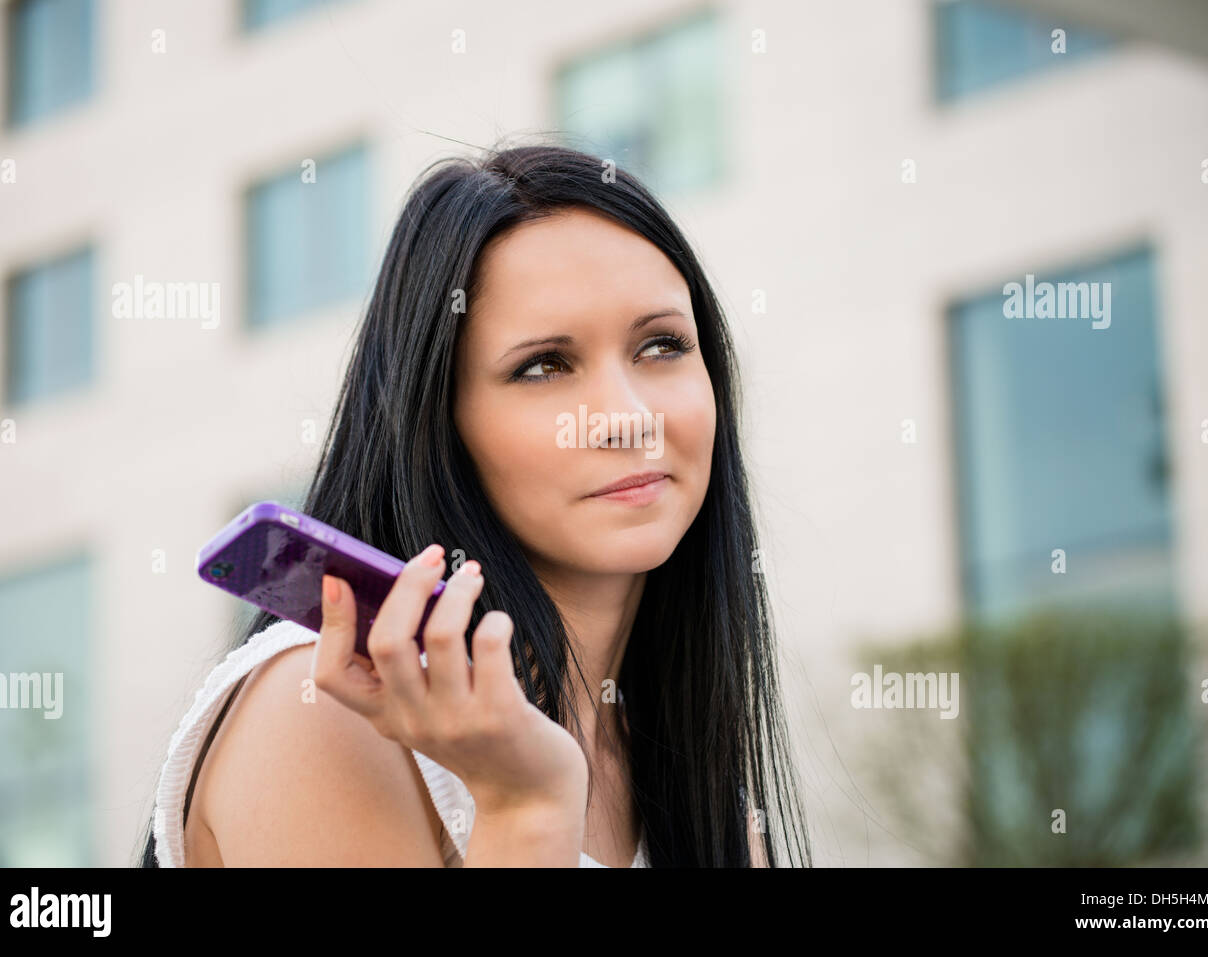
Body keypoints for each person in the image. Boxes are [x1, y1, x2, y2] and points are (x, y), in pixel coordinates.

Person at [137, 141, 813, 867]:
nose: (625, 417)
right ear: (440, 422)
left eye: (661, 346)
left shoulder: (694, 781)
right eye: (544, 366)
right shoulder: (328, 708)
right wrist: (525, 811)